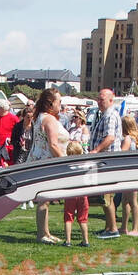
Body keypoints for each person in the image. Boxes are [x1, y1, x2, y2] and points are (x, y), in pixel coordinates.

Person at [27, 88, 69, 243]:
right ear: (51, 103)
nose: (60, 104)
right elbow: (53, 144)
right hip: (47, 163)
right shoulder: (49, 120)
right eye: (59, 101)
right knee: (44, 199)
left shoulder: (41, 117)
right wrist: (65, 161)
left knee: (45, 199)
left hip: (41, 161)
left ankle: (45, 232)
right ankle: (42, 234)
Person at [90, 89, 123, 238]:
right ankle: (109, 226)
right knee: (106, 195)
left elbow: (110, 138)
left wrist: (96, 150)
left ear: (111, 100)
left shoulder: (110, 115)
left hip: (106, 160)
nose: (99, 101)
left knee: (107, 196)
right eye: (98, 99)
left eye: (102, 99)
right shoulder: (106, 115)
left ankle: (112, 229)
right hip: (105, 160)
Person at [119, 114, 138, 237]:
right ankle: (124, 226)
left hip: (130, 173)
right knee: (125, 201)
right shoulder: (137, 139)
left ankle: (135, 228)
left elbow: (121, 154)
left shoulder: (128, 139)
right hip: (134, 172)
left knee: (132, 201)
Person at [63, 140, 91, 246]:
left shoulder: (68, 166)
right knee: (83, 219)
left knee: (68, 217)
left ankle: (68, 241)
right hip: (83, 193)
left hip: (71, 193)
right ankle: (85, 241)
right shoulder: (85, 165)